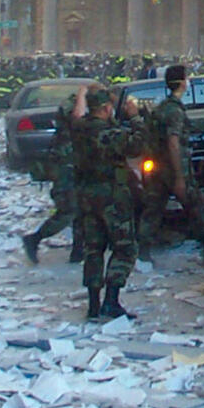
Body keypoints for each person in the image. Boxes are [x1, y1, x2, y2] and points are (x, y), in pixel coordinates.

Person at [70, 83, 145, 320]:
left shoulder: (80, 129)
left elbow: (80, 117)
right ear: (105, 108)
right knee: (125, 248)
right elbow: (137, 145)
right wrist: (136, 119)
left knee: (93, 248)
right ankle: (111, 300)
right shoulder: (110, 134)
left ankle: (93, 304)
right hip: (112, 197)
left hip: (87, 197)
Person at [137, 64, 204, 263]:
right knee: (198, 207)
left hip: (158, 167)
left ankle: (144, 251)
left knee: (152, 210)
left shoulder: (162, 108)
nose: (188, 81)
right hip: (173, 169)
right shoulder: (174, 111)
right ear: (182, 82)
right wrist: (179, 177)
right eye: (186, 78)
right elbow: (173, 143)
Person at [22, 89, 84, 265]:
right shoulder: (68, 131)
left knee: (80, 211)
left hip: (72, 173)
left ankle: (79, 251)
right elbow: (78, 116)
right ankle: (34, 239)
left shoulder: (68, 131)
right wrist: (82, 94)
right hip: (66, 175)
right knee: (69, 212)